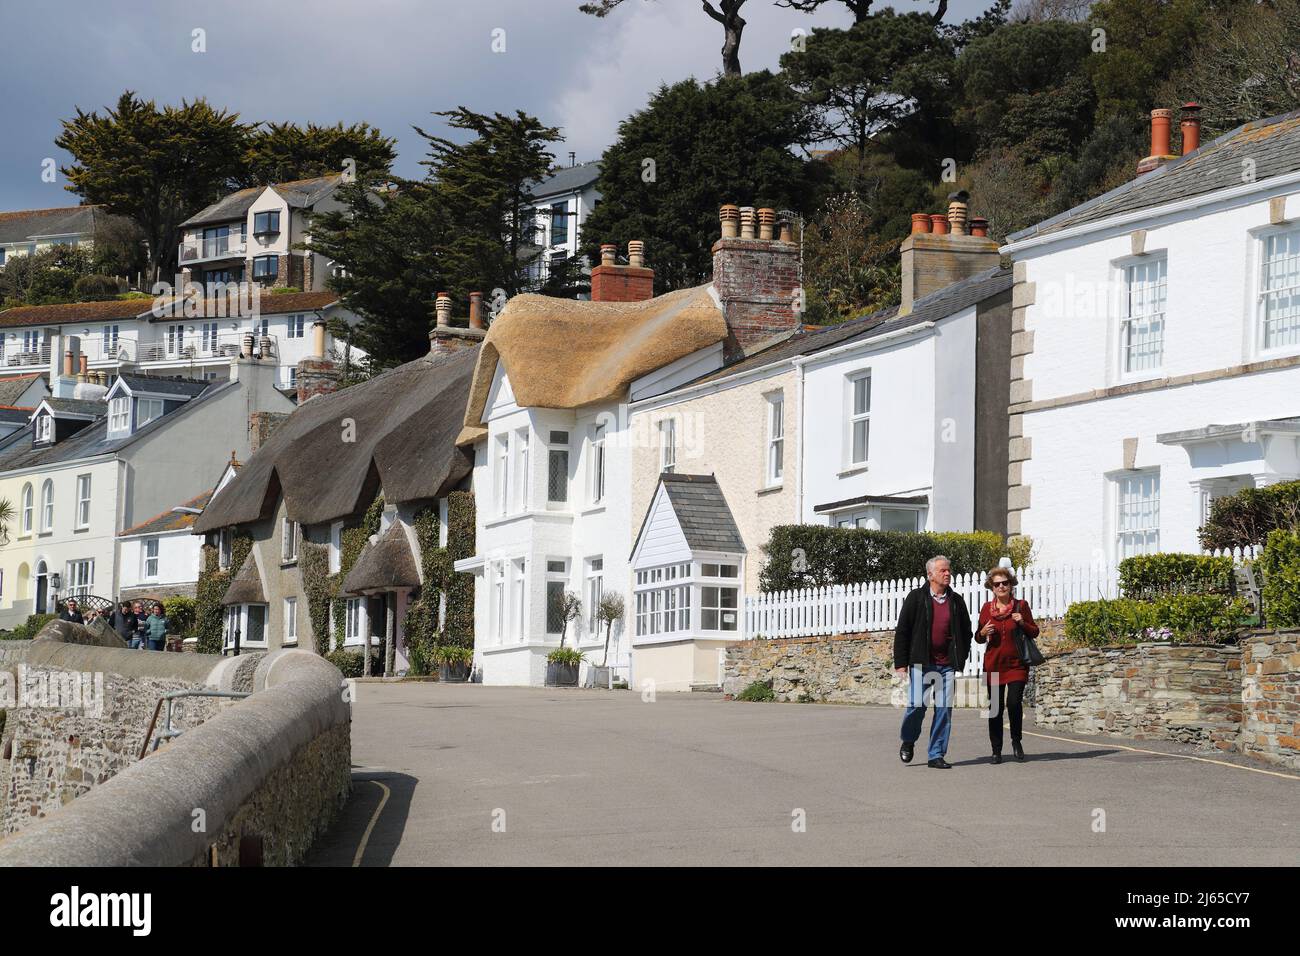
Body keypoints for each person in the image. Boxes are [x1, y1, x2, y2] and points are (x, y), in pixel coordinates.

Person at [894, 555, 973, 769]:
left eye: (949, 570)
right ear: (930, 575)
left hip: (946, 665)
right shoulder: (916, 598)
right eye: (942, 571)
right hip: (921, 663)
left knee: (944, 709)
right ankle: (908, 740)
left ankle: (936, 754)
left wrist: (961, 656)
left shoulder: (956, 601)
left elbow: (967, 632)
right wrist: (901, 663)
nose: (947, 574)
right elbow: (903, 631)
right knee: (917, 706)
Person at [976, 567, 1039, 763]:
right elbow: (978, 637)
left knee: (1013, 703)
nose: (1001, 586)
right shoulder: (987, 608)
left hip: (1016, 665)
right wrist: (983, 632)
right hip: (993, 665)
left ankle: (1016, 741)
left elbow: (1034, 632)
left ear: (1011, 585)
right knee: (995, 707)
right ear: (992, 588)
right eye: (997, 584)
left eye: (1005, 583)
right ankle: (996, 750)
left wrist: (1022, 623)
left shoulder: (1021, 606)